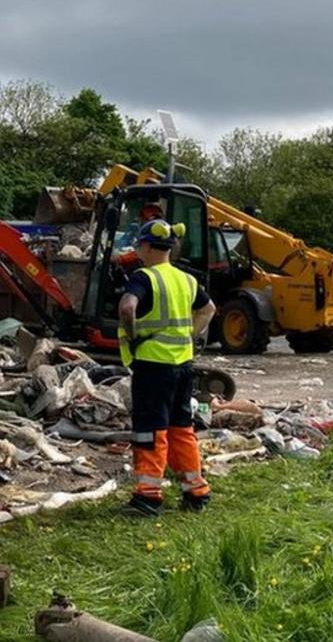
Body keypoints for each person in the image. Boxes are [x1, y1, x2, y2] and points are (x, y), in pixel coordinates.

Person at [118, 219, 218, 516]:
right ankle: (196, 490)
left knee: (150, 429)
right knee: (181, 427)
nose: (138, 251)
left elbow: (127, 307)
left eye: (140, 246)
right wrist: (190, 335)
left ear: (148, 247)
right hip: (183, 365)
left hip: (153, 365)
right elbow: (209, 309)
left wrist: (133, 336)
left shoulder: (144, 277)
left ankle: (148, 496)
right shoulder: (186, 279)